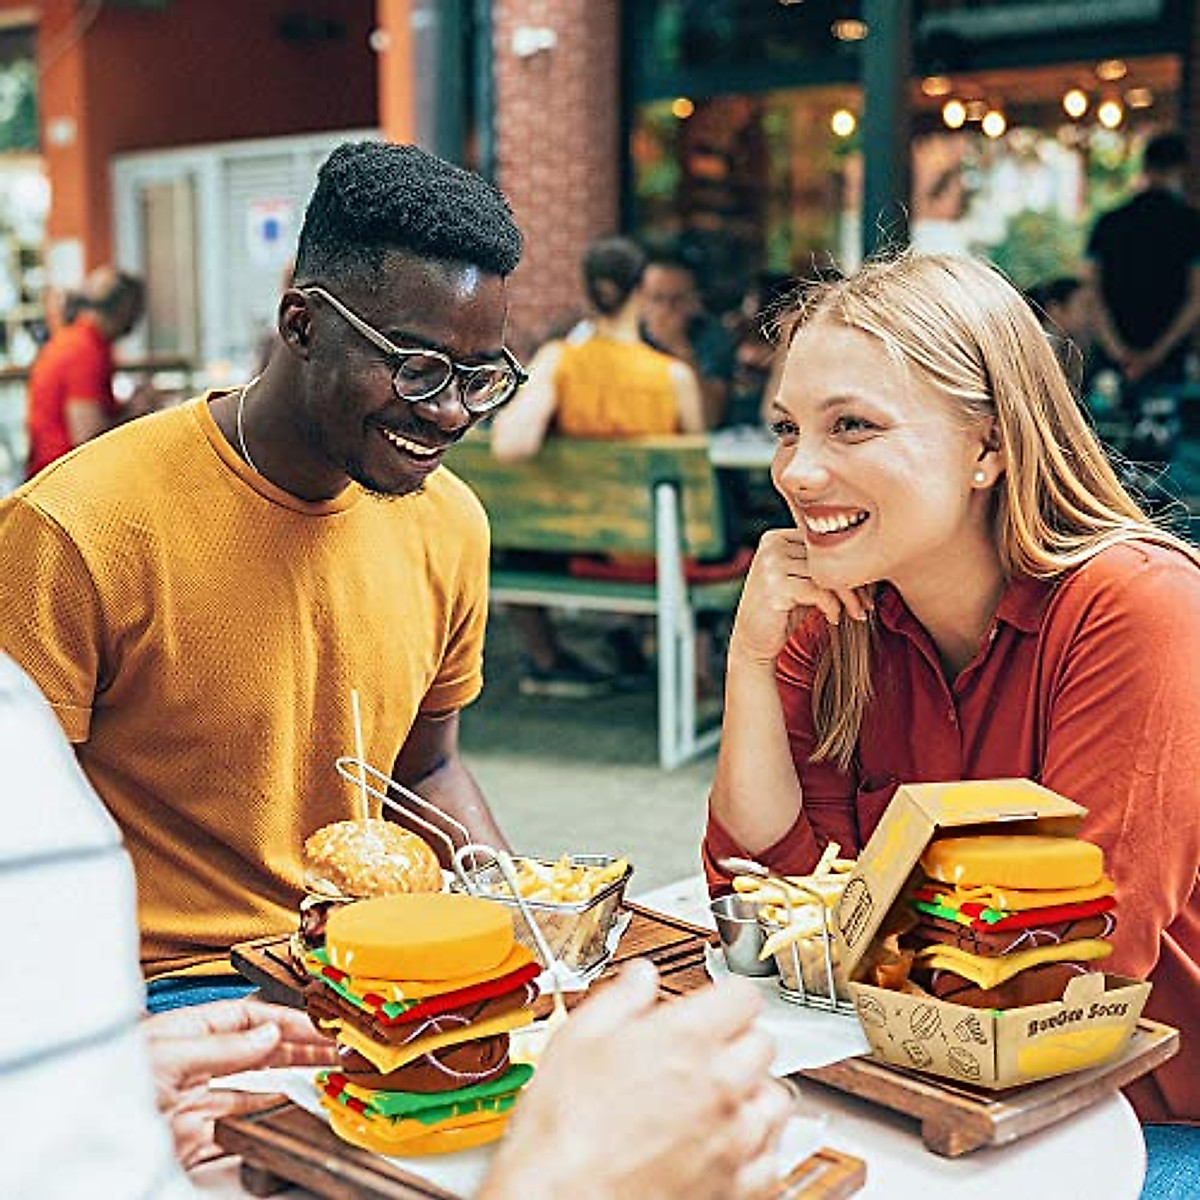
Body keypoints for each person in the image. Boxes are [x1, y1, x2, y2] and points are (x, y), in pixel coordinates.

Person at [703, 254, 1198, 1179]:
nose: (798, 472)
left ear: (988, 447)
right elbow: (770, 914)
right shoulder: (838, 614)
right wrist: (749, 660)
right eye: (787, 429)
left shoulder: (1141, 607)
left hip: (1151, 1119)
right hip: (920, 1095)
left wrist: (862, 945)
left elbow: (1067, 972)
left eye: (852, 425)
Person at [0, 141, 524, 1011]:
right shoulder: (75, 529)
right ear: (302, 325)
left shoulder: (451, 522)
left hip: (370, 960)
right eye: (417, 367)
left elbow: (425, 771)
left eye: (481, 377)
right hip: (169, 987)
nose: (449, 411)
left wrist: (523, 919)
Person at [0, 651, 790, 1199]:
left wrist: (82, 1089)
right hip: (201, 986)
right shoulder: (67, 544)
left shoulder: (444, 516)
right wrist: (563, 1183)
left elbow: (430, 762)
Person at [492, 235, 706, 694]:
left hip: (580, 539)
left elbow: (510, 445)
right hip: (656, 548)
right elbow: (696, 473)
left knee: (518, 541)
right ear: (640, 291)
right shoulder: (674, 376)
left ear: (588, 290)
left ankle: (548, 660)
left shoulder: (560, 360)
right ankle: (694, 676)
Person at [1084, 131, 1200, 393]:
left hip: (1113, 361)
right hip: (1170, 360)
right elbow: (1196, 298)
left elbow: (1091, 292)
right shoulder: (1191, 224)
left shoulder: (1109, 222)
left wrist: (1117, 350)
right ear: (1179, 170)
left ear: (1145, 167)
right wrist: (1156, 354)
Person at [24, 266, 151, 477]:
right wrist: (134, 412)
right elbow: (86, 435)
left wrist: (127, 408)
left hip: (56, 474)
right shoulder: (84, 350)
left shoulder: (77, 339)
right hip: (66, 481)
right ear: (123, 308)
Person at [640, 248, 737, 428]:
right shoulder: (628, 335)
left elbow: (710, 419)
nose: (666, 309)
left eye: (677, 299)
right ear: (640, 301)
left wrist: (681, 349)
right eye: (657, 298)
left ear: (695, 302)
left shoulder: (712, 336)